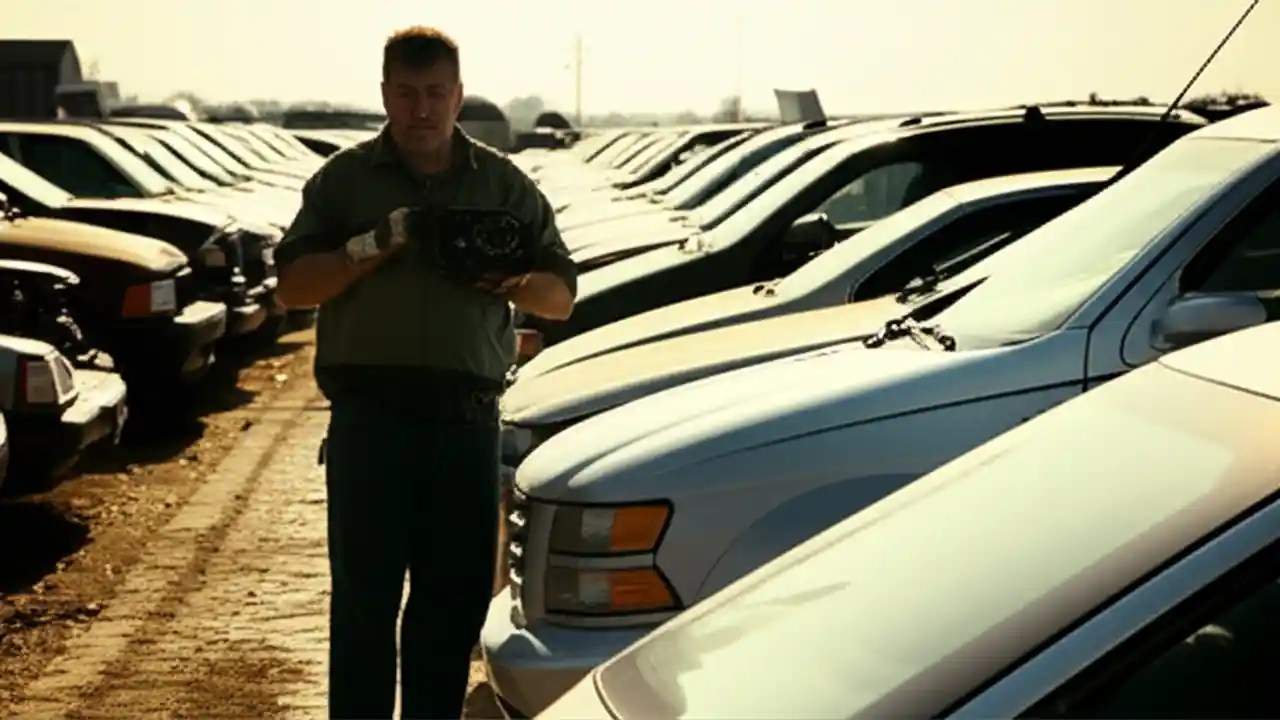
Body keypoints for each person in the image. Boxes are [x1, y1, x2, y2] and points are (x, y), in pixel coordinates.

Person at [273, 25, 577, 720]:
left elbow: (559, 296)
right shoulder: (345, 183)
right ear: (384, 94)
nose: (421, 110)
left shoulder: (501, 185)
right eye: (406, 94)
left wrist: (504, 278)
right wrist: (370, 247)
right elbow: (293, 285)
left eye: (436, 93)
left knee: (451, 606)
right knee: (363, 607)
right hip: (370, 423)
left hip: (463, 426)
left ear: (458, 95)